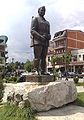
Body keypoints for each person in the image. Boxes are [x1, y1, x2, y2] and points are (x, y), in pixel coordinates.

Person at [30, 6, 51, 75]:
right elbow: (32, 30)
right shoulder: (35, 19)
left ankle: (43, 71)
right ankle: (35, 70)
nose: (43, 12)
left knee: (44, 57)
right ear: (38, 11)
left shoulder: (47, 22)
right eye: (41, 10)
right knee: (37, 57)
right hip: (37, 41)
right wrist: (40, 37)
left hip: (45, 42)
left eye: (44, 11)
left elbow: (49, 34)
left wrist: (47, 36)